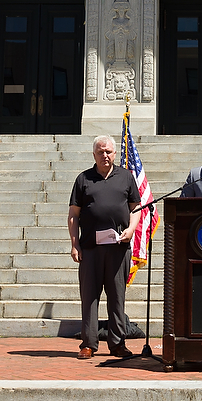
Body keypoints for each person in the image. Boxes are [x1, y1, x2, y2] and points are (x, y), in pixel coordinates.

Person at [68, 135, 140, 360]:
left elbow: (136, 207)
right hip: (90, 248)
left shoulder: (126, 177)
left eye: (108, 151)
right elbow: (73, 215)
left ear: (115, 153)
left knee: (117, 296)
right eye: (100, 152)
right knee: (89, 296)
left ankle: (118, 343)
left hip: (118, 248)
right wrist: (74, 244)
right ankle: (89, 344)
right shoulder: (83, 179)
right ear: (94, 155)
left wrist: (131, 230)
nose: (105, 155)